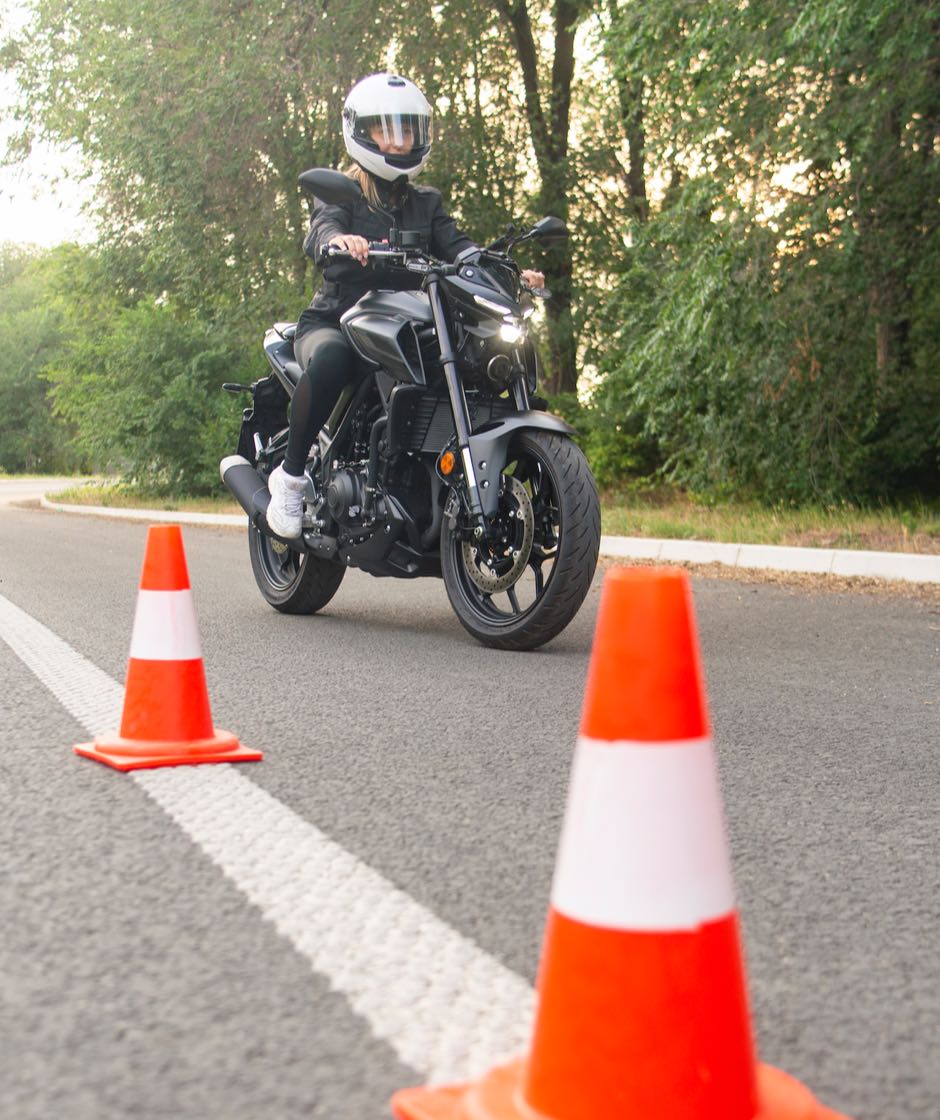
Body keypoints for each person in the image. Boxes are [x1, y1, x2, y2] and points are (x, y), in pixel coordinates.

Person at [266, 72, 544, 538]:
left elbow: (462, 251)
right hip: (338, 321)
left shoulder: (427, 204)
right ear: (360, 132)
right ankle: (291, 479)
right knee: (332, 357)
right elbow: (322, 231)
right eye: (386, 131)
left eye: (407, 130)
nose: (398, 142)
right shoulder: (342, 195)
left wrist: (508, 272)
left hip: (405, 326)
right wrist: (339, 240)